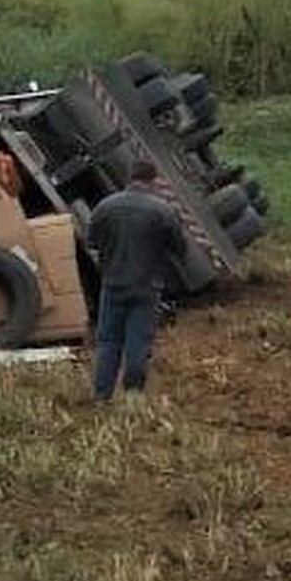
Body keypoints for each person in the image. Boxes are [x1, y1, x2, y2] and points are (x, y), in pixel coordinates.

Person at [87, 159, 185, 401]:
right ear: (153, 181)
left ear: (130, 178)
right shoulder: (163, 210)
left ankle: (102, 396)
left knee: (109, 341)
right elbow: (180, 249)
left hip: (112, 284)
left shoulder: (104, 207)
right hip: (146, 286)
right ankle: (133, 395)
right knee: (138, 342)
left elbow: (92, 242)